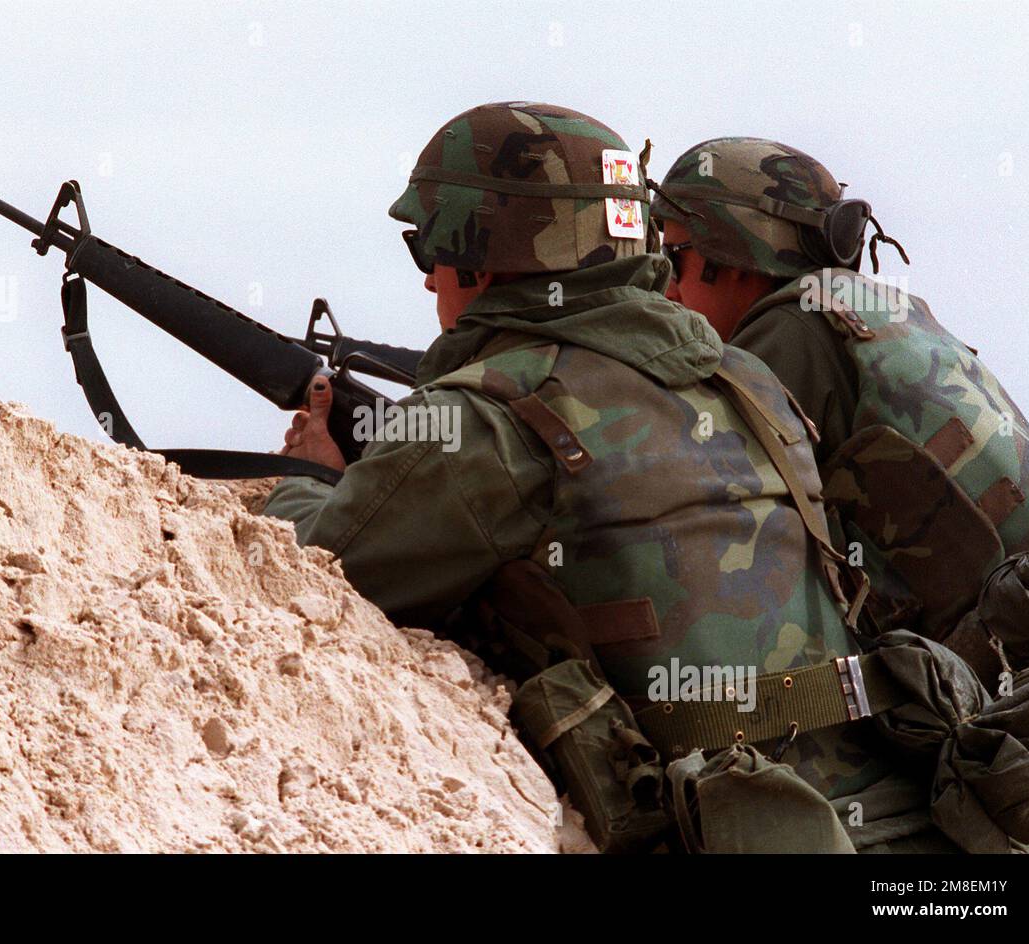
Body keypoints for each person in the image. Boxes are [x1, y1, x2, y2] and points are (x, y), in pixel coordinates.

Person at [263, 103, 931, 851]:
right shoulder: (743, 376)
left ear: (481, 256)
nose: (428, 284)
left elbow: (299, 580)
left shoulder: (491, 420)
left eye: (429, 249)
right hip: (897, 821)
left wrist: (303, 475)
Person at [652, 138, 1029, 657]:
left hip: (1006, 647)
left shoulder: (789, 333)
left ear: (733, 252)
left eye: (674, 256)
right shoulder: (887, 307)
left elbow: (703, 516)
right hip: (1026, 615)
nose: (667, 290)